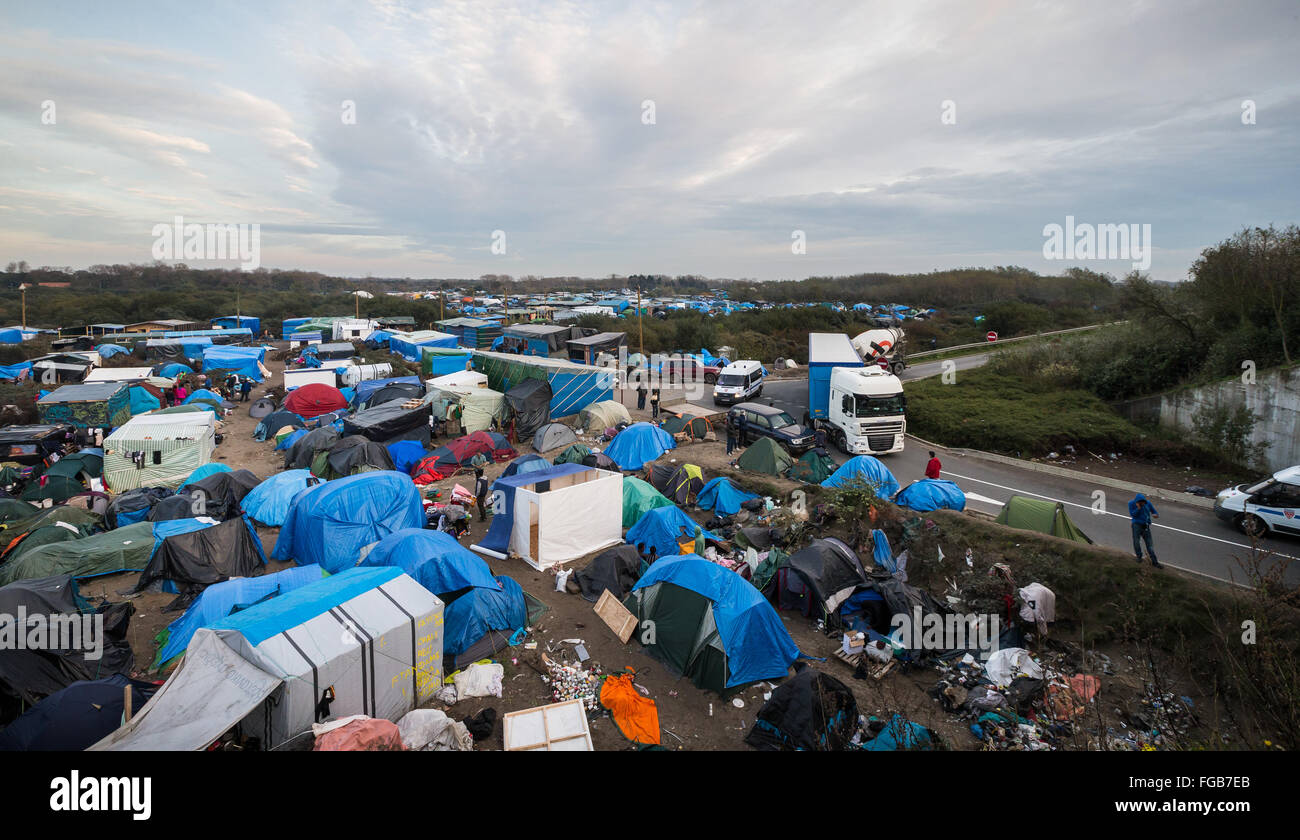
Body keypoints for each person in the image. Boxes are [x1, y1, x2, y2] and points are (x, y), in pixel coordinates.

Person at [1129, 494, 1162, 568]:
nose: (1143, 504)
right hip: (1136, 525)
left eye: (1144, 502)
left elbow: (1154, 512)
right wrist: (1138, 508)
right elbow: (1133, 514)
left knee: (1150, 545)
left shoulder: (1148, 503)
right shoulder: (1131, 503)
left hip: (1146, 526)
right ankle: (1139, 557)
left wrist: (1155, 515)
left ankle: (1154, 562)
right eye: (1141, 502)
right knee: (1136, 541)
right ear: (1137, 502)